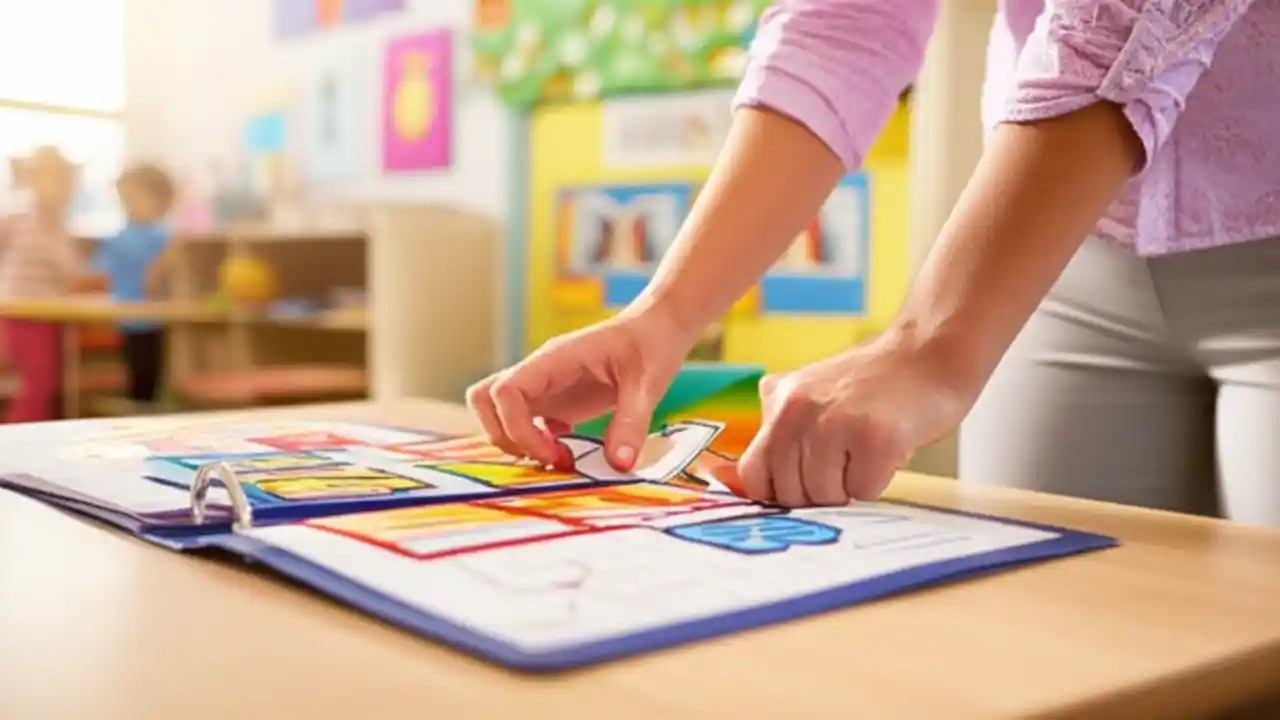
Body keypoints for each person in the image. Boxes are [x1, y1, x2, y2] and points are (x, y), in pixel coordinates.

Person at [469, 1, 1280, 526]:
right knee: (1039, 645)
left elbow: (1120, 26)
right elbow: (843, 21)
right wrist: (665, 313)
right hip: (1065, 268)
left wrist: (930, 346)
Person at [0, 147, 84, 423]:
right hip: (21, 311)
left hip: (49, 313)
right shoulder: (16, 220)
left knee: (47, 385)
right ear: (32, 180)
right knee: (38, 385)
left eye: (63, 180)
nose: (58, 187)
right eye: (49, 178)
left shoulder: (61, 226)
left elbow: (68, 272)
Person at [82, 164, 176, 405]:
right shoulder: (120, 237)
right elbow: (97, 274)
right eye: (124, 198)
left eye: (134, 197)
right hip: (128, 319)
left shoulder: (165, 237)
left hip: (158, 319)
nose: (128, 204)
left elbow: (168, 274)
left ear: (161, 201)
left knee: (154, 376)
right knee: (138, 374)